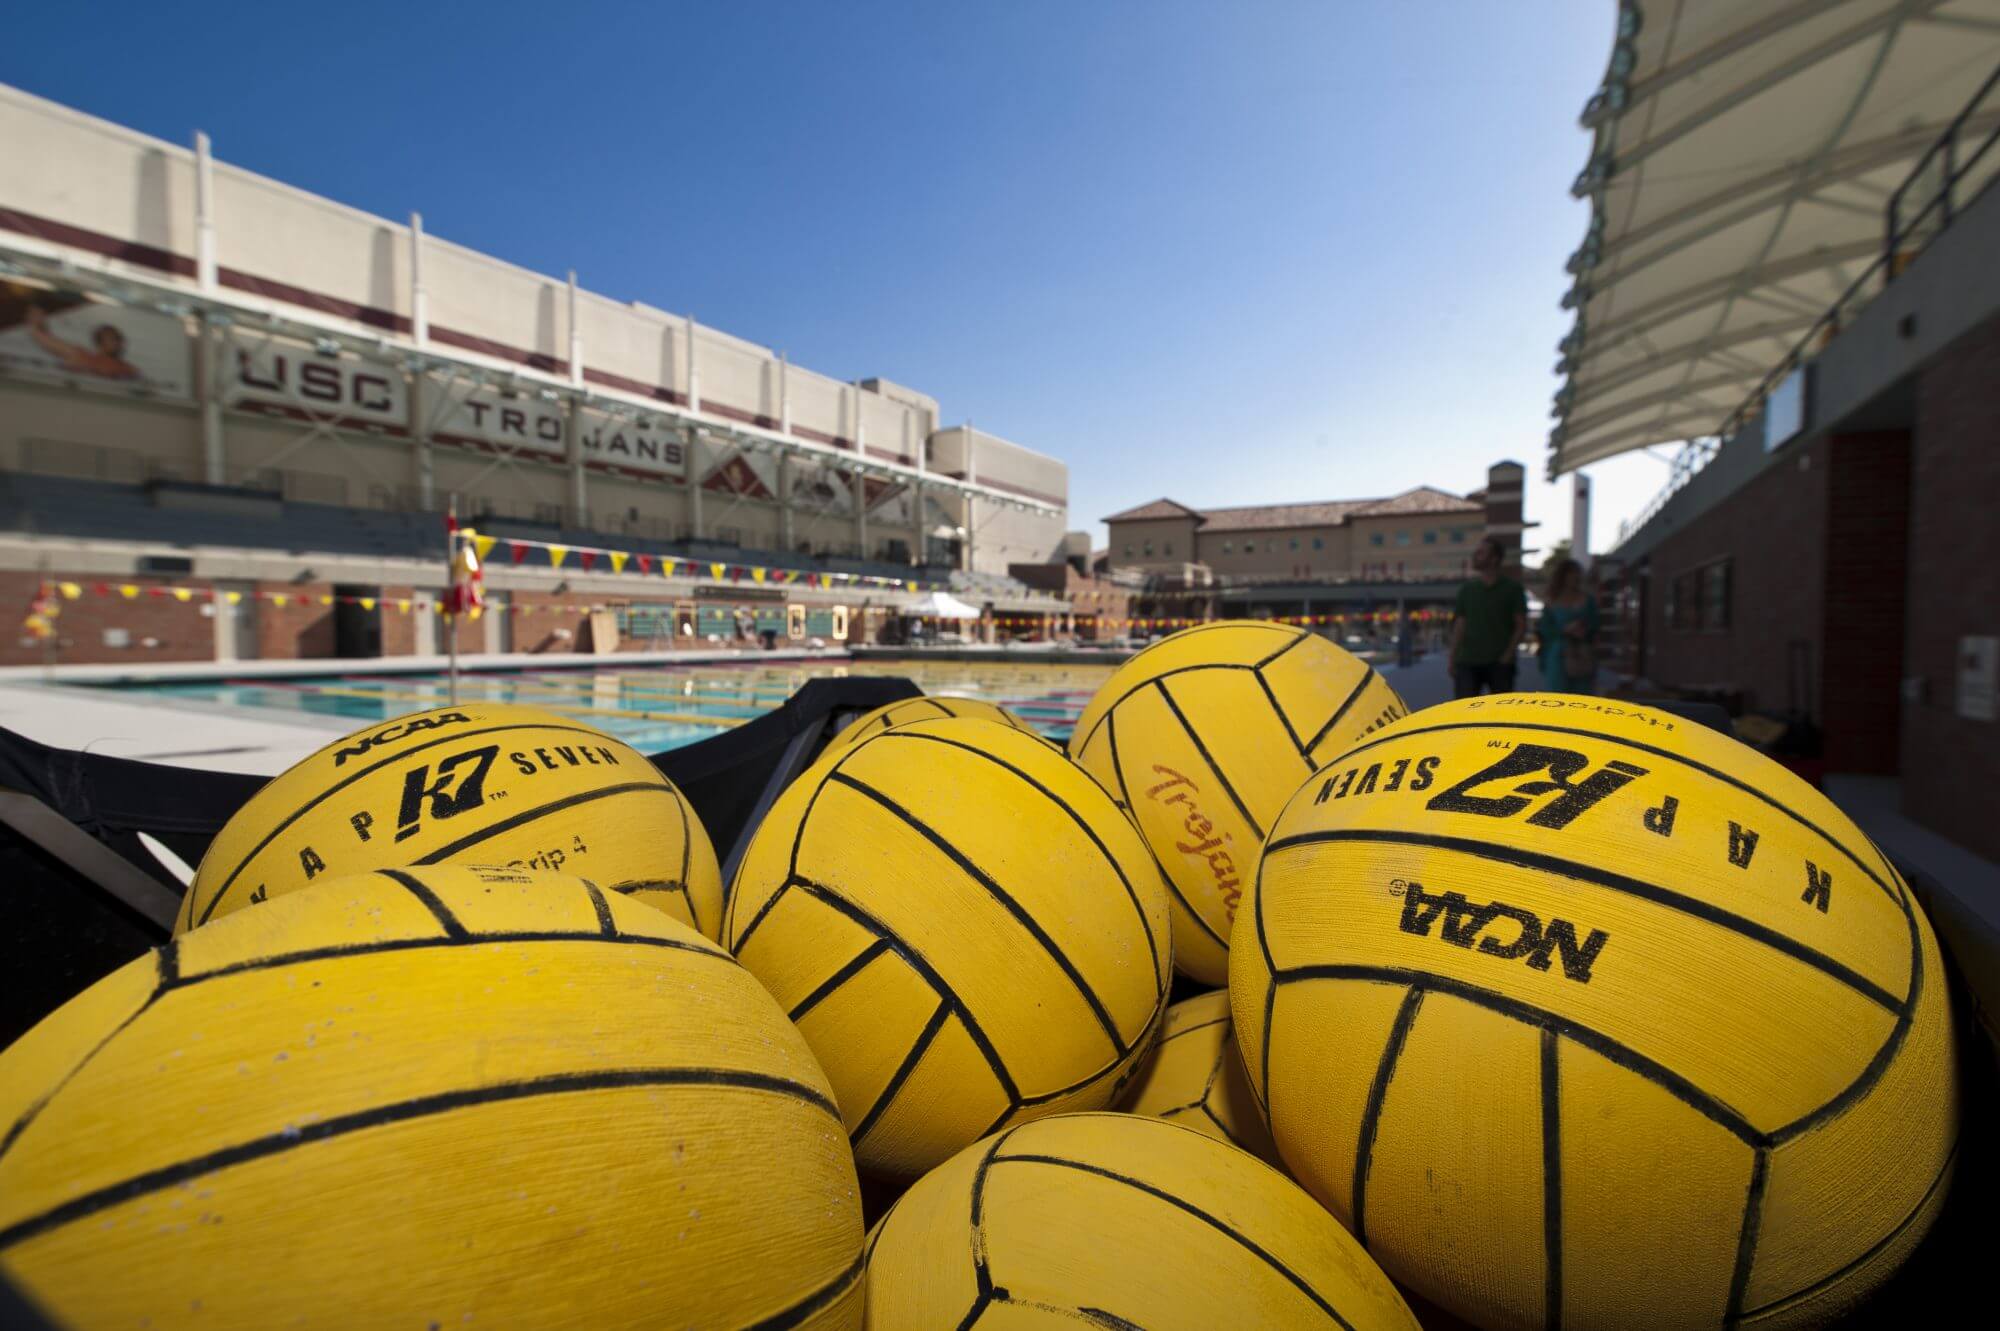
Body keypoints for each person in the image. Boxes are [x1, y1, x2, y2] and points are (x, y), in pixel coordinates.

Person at [1450, 536, 1527, 697]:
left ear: (1494, 559)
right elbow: (1460, 625)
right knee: (1464, 714)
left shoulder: (1512, 589)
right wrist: (1453, 657)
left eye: (1480, 553)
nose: (1475, 556)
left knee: (1500, 716)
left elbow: (1520, 625)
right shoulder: (1468, 589)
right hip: (1468, 661)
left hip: (1500, 663)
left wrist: (1508, 655)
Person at [1537, 557, 1600, 694]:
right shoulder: (1552, 600)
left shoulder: (1588, 600)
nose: (1575, 577)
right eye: (1571, 573)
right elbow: (1544, 628)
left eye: (1578, 573)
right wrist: (1564, 630)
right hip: (1558, 654)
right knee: (1559, 695)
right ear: (1563, 576)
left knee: (1583, 696)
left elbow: (1595, 624)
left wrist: (1584, 629)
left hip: (1583, 652)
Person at [25, 305, 140, 380]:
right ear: (100, 343)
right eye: (114, 339)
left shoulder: (129, 370)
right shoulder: (82, 356)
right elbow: (43, 338)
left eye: (119, 339)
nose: (118, 343)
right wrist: (37, 323)